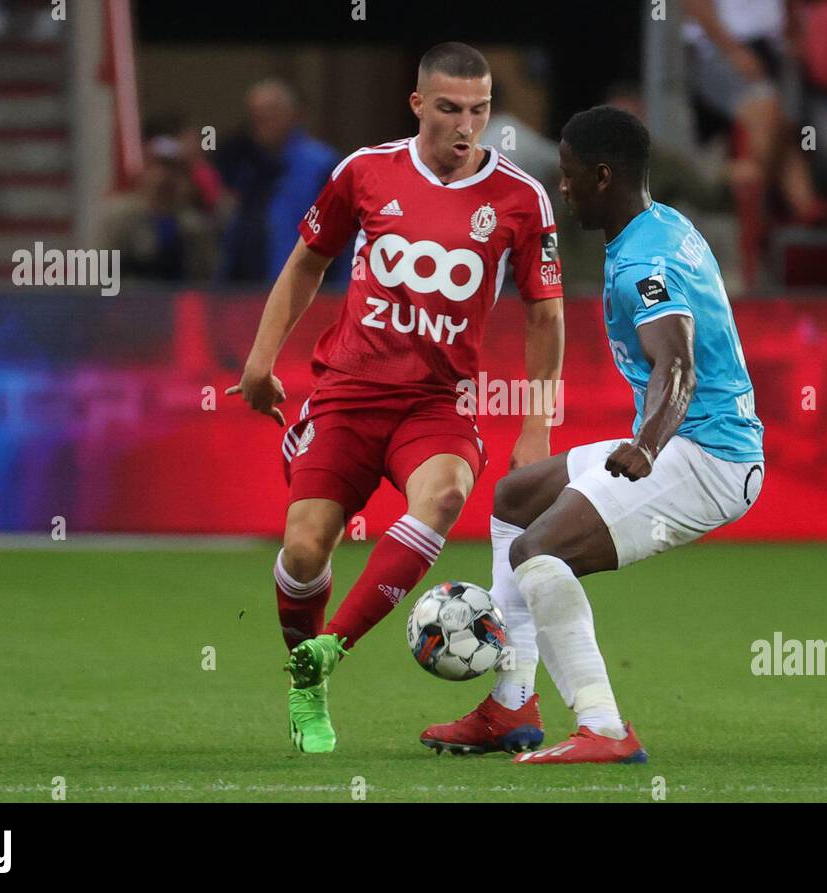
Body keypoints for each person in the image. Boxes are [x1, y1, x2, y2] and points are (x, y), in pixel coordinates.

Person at [225, 42, 565, 754]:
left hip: (437, 404)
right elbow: (305, 266)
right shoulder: (364, 172)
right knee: (304, 548)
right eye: (448, 108)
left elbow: (546, 314)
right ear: (418, 105)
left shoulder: (519, 199)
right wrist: (261, 360)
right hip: (347, 395)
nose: (465, 124)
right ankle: (305, 682)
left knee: (442, 496)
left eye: (478, 110)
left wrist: (538, 424)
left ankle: (331, 650)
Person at [420, 106, 765, 764]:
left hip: (706, 455)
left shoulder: (646, 260)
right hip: (688, 440)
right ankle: (513, 701)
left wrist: (647, 443)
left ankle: (603, 725)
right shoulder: (661, 225)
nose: (563, 188)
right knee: (516, 499)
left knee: (537, 550)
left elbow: (678, 361)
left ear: (604, 177)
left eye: (572, 176)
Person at [214, 80, 348, 288]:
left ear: (292, 115)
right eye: (255, 116)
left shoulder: (321, 165)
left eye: (269, 114)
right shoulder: (247, 165)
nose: (260, 123)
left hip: (304, 290)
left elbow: (342, 236)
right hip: (248, 292)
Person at [97, 135, 218, 283]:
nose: (165, 175)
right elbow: (99, 272)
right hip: (129, 300)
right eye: (158, 166)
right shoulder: (119, 218)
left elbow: (204, 276)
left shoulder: (194, 225)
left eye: (173, 168)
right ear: (145, 170)